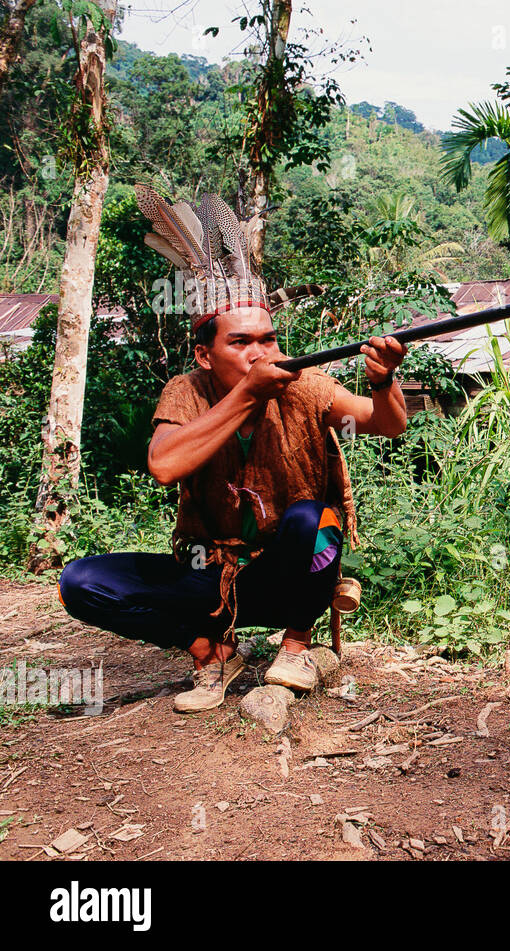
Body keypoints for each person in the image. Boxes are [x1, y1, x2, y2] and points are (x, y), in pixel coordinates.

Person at [58, 187, 408, 713]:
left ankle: (296, 644)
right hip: (208, 574)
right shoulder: (186, 391)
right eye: (241, 343)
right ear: (204, 354)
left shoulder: (305, 384)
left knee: (317, 521)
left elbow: (384, 424)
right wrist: (246, 397)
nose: (260, 353)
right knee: (79, 583)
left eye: (267, 340)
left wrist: (384, 383)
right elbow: (163, 465)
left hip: (282, 578)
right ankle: (211, 652)